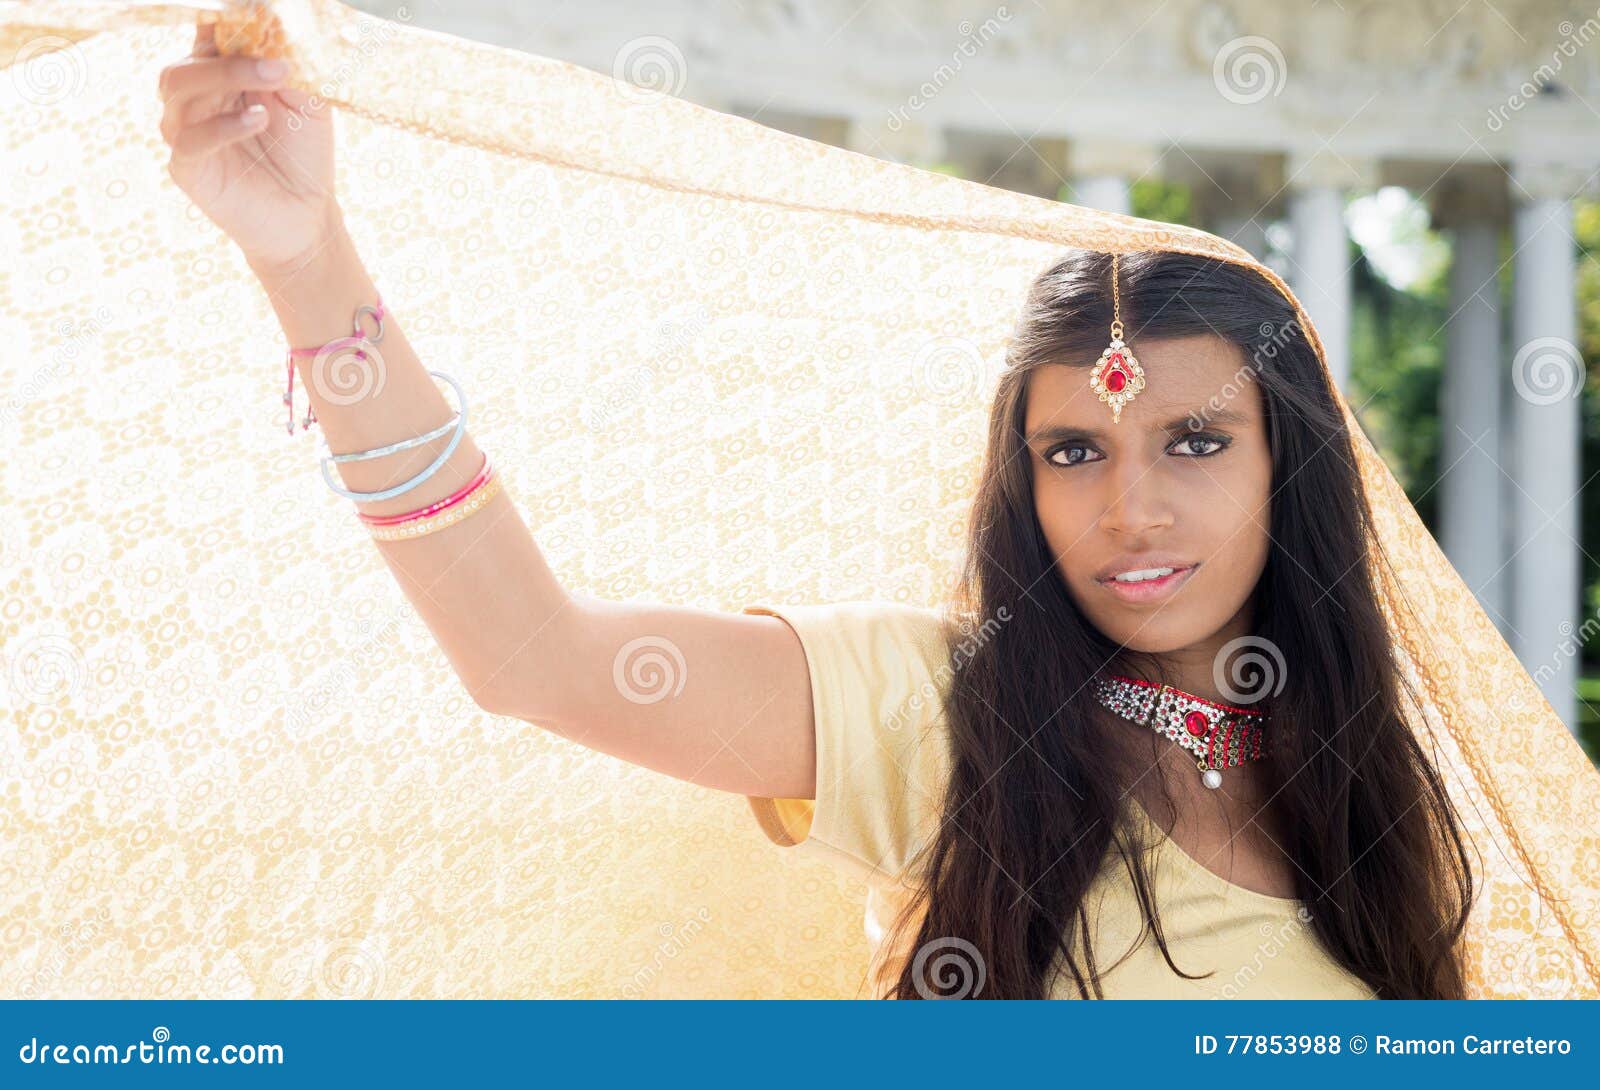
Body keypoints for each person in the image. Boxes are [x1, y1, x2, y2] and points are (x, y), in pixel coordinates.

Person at [156, 22, 1476, 1000]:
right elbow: (532, 657)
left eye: (1194, 442)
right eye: (1072, 450)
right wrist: (304, 256)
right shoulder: (952, 710)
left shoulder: (1375, 793)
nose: (1131, 507)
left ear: (1287, 467)